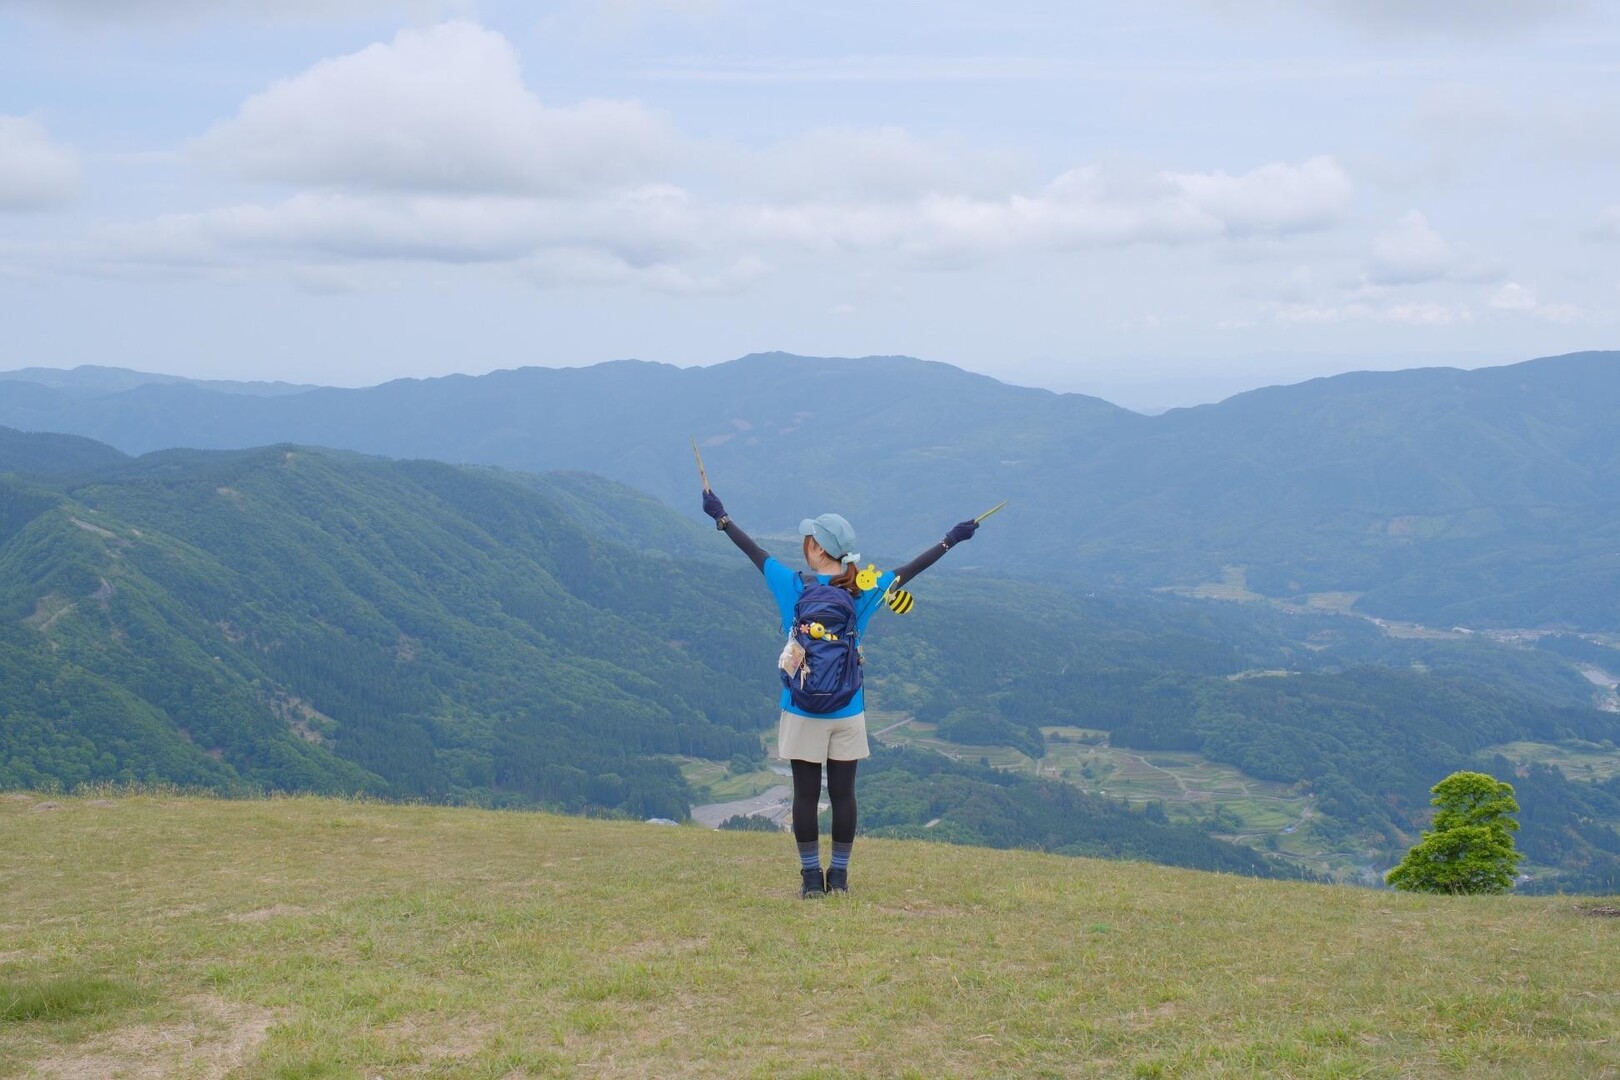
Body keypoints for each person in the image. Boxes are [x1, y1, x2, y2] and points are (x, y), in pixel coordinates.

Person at [702, 488, 979, 898]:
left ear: (814, 548)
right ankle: (841, 879)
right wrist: (952, 538)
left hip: (800, 707)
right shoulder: (866, 588)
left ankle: (812, 880)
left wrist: (721, 518)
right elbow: (912, 569)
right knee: (844, 794)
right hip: (848, 708)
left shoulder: (793, 585)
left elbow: (754, 552)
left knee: (805, 794)